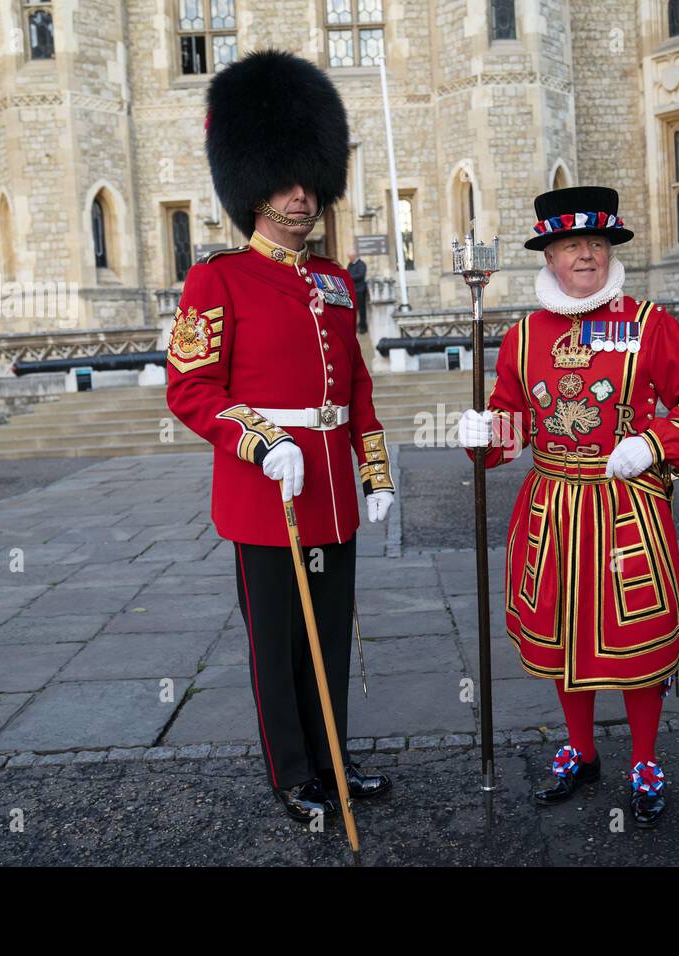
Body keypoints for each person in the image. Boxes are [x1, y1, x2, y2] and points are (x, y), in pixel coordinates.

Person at [166, 49, 395, 825]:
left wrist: (377, 471)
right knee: (278, 644)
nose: (302, 199)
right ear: (253, 185)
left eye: (311, 184)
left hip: (331, 488)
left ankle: (333, 758)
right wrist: (262, 442)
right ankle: (293, 773)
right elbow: (191, 387)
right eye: (286, 184)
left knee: (330, 636)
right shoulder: (217, 280)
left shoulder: (332, 280)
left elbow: (355, 385)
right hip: (268, 492)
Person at [458, 186, 679, 828]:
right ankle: (581, 750)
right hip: (551, 509)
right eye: (572, 244)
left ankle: (642, 758)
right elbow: (510, 424)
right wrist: (482, 436)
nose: (587, 255)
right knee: (559, 634)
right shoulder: (524, 336)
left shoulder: (648, 325)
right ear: (549, 254)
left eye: (598, 244)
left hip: (627, 510)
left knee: (635, 638)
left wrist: (654, 442)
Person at [347, 250, 369, 334]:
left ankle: (363, 326)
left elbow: (360, 275)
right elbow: (347, 272)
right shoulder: (350, 264)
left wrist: (349, 277)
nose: (349, 259)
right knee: (353, 309)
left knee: (362, 309)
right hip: (352, 290)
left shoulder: (361, 264)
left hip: (360, 290)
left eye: (350, 257)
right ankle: (355, 325)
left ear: (354, 256)